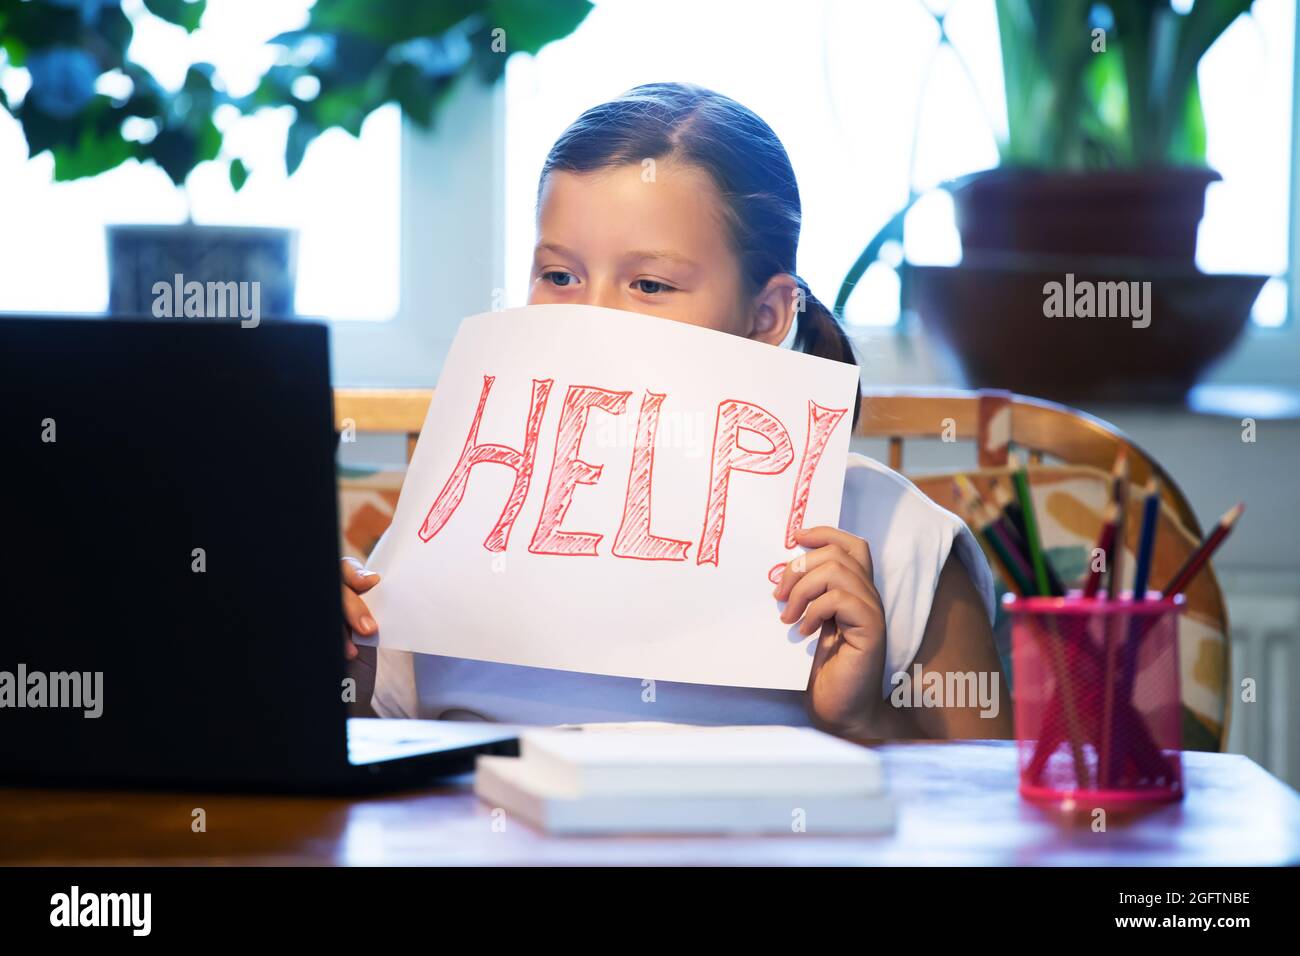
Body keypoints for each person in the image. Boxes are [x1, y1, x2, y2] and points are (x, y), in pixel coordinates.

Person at [342, 82, 1012, 740]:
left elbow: (990, 814)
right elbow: (376, 770)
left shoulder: (896, 539)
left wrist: (862, 720)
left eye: (650, 285)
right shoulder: (462, 514)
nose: (593, 318)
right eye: (560, 276)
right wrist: (348, 679)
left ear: (766, 315)